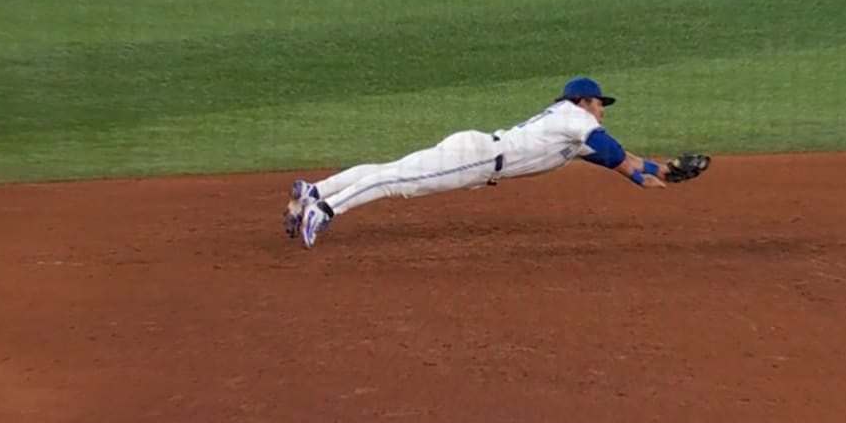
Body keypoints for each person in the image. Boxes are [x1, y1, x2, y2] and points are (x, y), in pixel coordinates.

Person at [282, 76, 710, 248]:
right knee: (398, 182)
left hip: (479, 156)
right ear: (583, 100)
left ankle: (314, 191)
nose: (603, 110)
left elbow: (628, 163)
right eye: (601, 103)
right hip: (479, 158)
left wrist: (666, 173)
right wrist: (648, 177)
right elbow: (622, 161)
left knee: (392, 170)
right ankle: (322, 210)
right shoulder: (575, 118)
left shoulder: (573, 133)